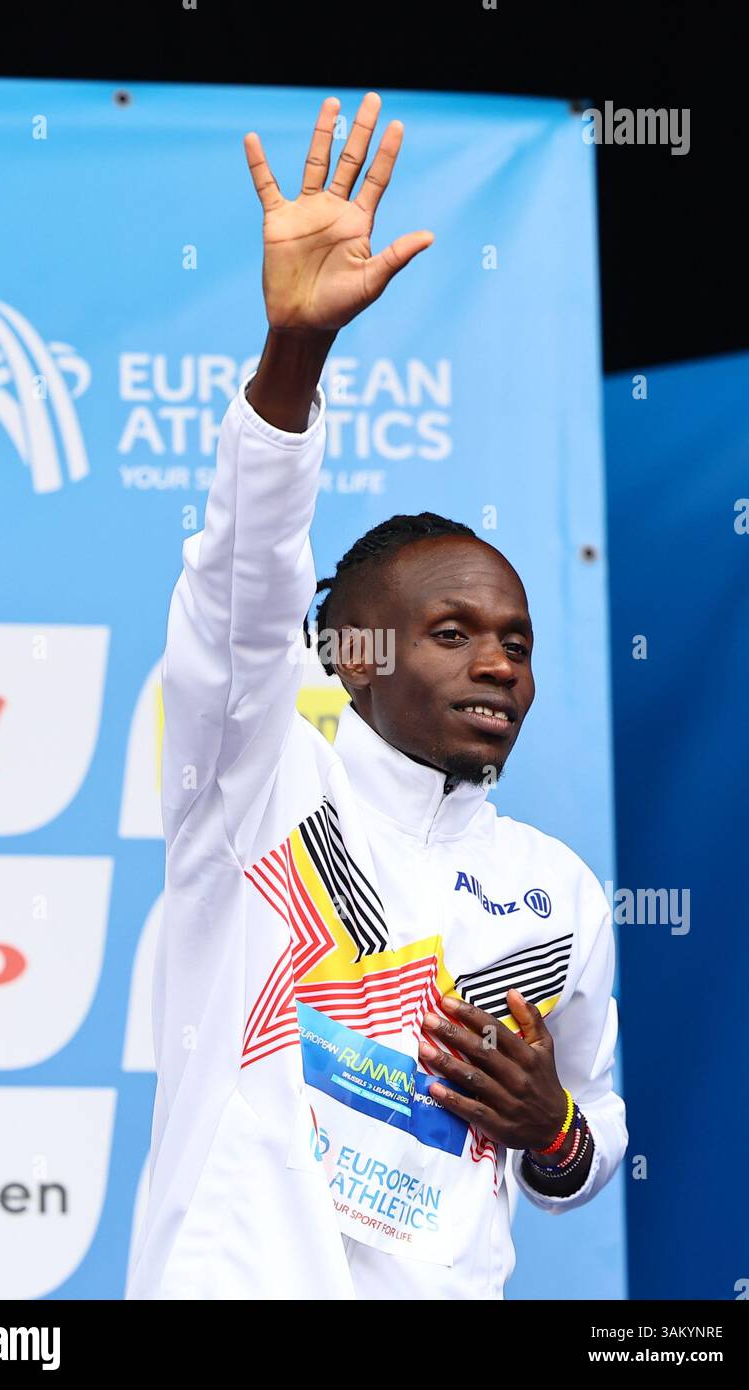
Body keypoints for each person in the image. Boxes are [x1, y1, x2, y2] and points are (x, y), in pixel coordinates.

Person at [126, 91, 627, 1301]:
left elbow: (593, 1128)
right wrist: (294, 354)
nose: (500, 664)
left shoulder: (554, 895)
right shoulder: (254, 786)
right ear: (349, 651)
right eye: (453, 633)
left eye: (516, 640)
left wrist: (554, 1127)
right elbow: (242, 587)